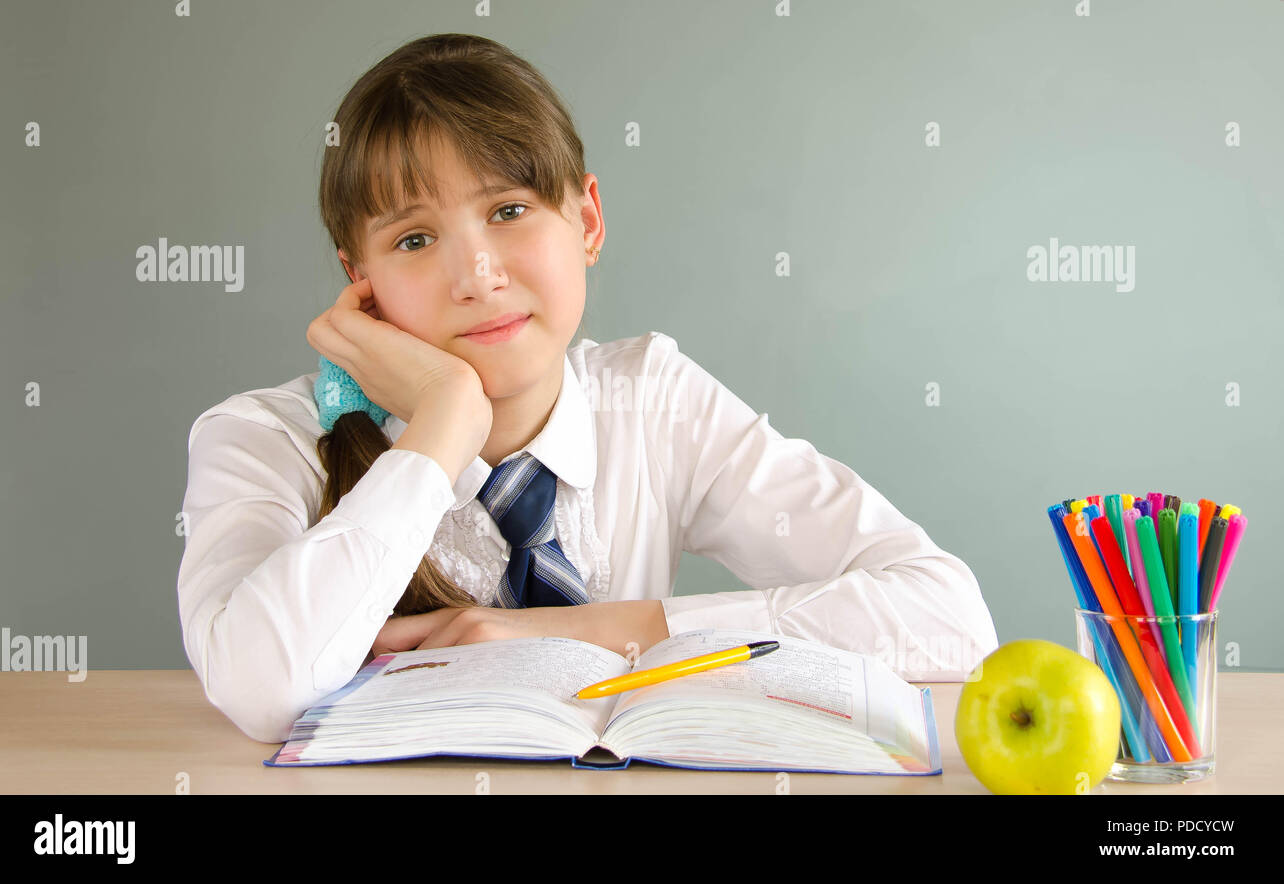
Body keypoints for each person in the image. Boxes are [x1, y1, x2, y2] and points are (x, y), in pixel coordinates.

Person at [177, 33, 999, 744]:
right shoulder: (264, 439)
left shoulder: (654, 400)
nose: (477, 275)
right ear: (361, 282)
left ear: (588, 221)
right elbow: (257, 686)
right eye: (416, 238)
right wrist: (444, 426)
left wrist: (610, 630)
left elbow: (947, 618)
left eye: (508, 211)